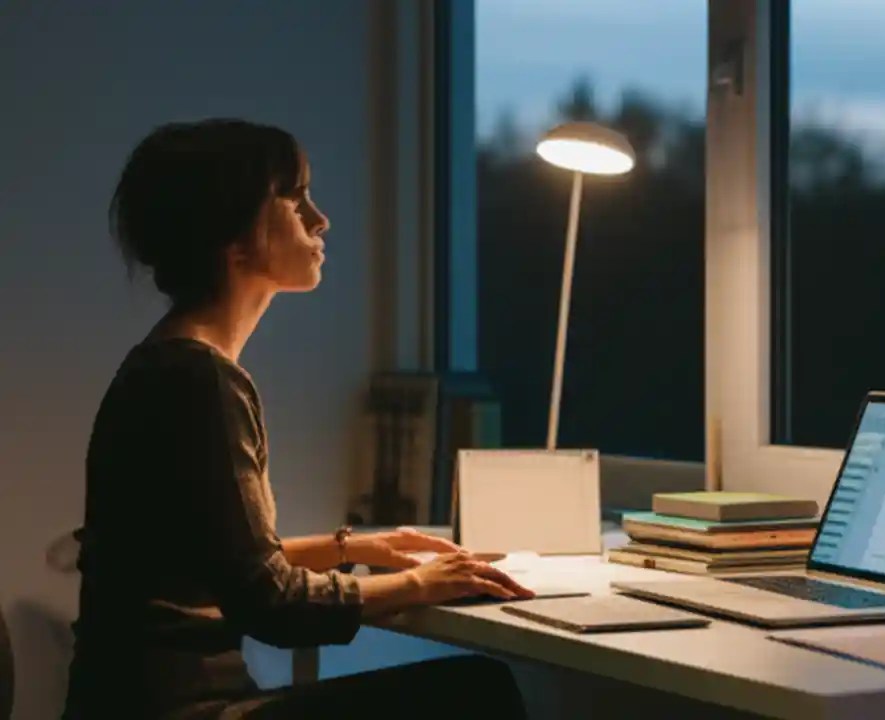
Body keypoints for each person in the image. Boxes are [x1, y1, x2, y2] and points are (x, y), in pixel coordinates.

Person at [63, 118, 534, 719]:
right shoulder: (198, 380)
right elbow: (273, 606)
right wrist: (421, 583)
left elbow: (220, 562)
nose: (320, 219)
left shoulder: (167, 365)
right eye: (295, 198)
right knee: (478, 693)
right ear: (231, 237)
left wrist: (357, 547)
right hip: (182, 711)